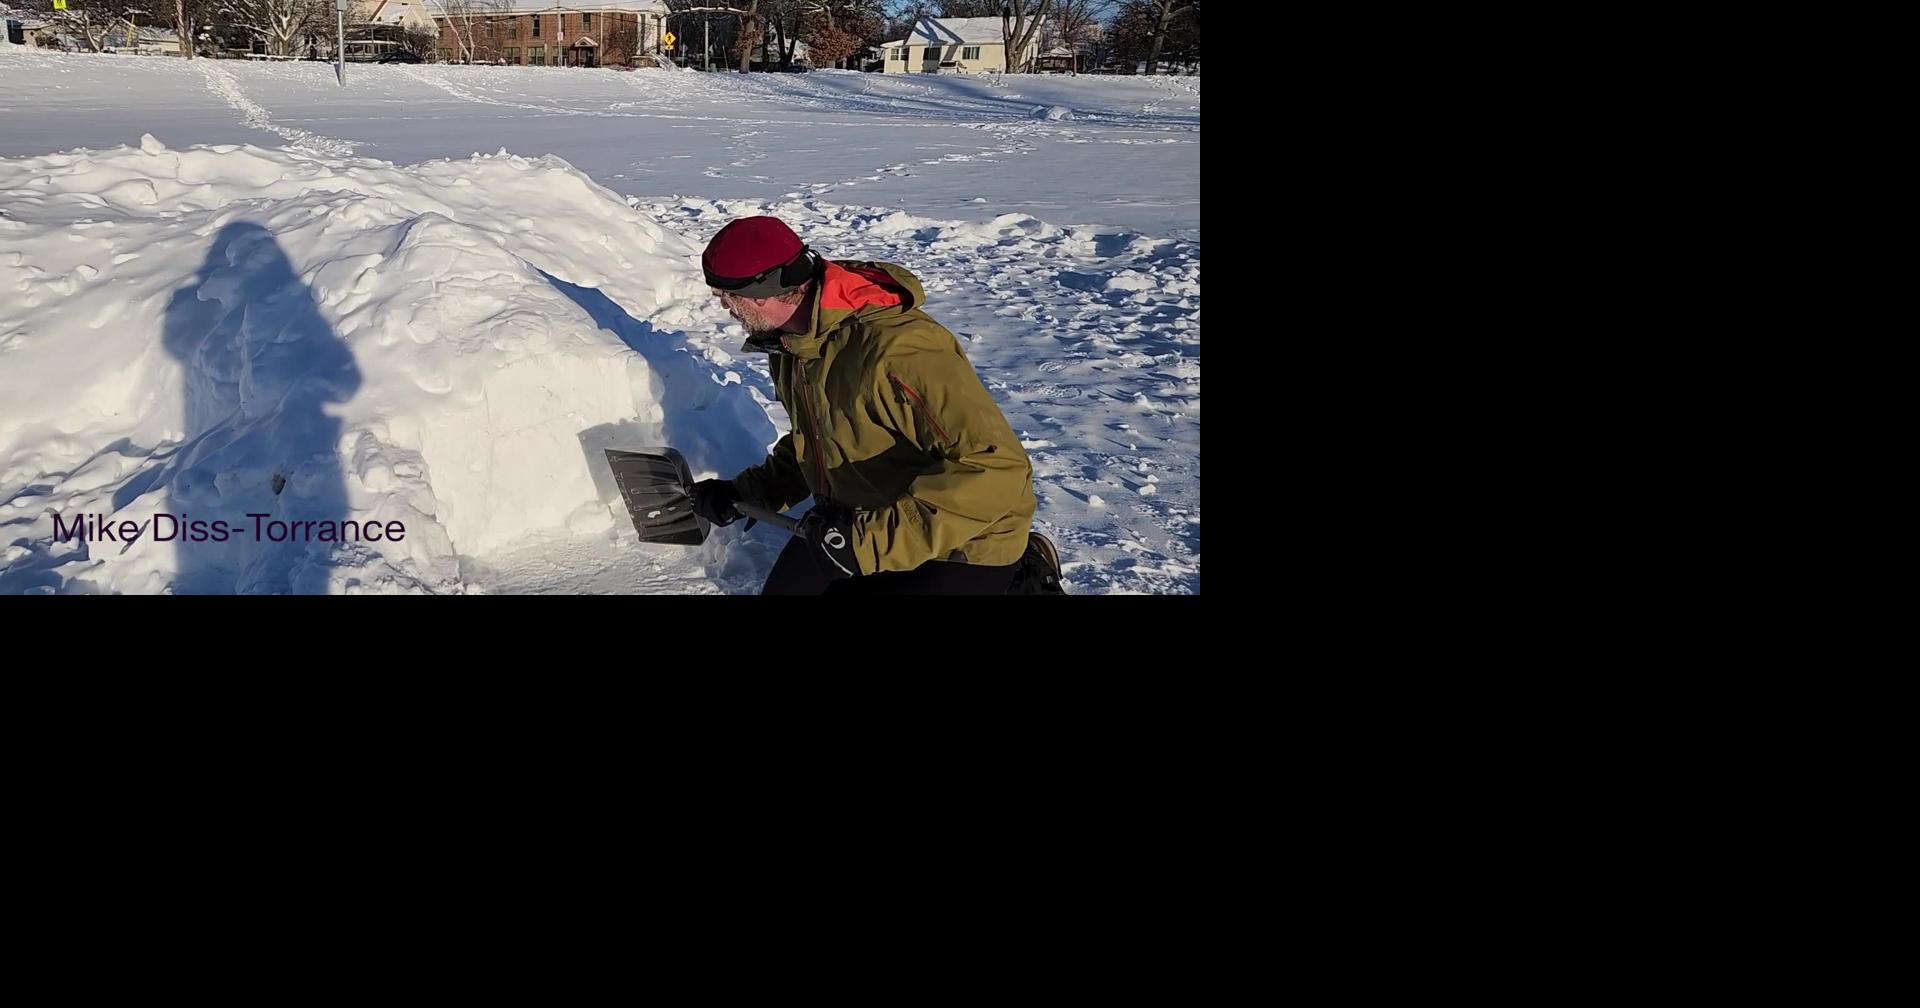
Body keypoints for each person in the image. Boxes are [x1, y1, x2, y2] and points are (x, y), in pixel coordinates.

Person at [688, 215, 1038, 595]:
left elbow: (996, 469)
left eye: (729, 296)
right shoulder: (794, 343)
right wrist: (747, 494)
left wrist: (867, 544)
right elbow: (820, 438)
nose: (724, 307)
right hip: (858, 523)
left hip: (959, 541)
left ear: (766, 290)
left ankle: (1026, 576)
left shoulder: (901, 350)